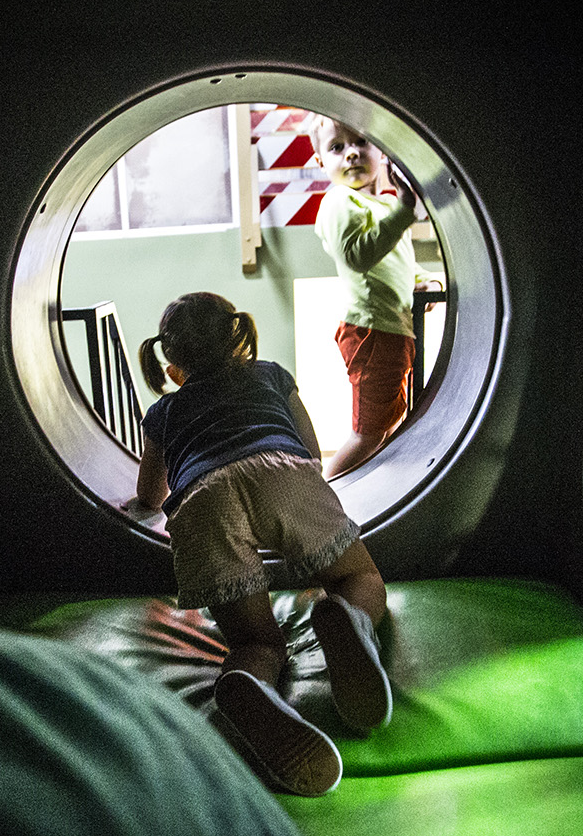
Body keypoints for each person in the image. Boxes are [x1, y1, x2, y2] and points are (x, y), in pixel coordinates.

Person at [129, 290, 393, 798]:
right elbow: (311, 448)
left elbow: (149, 492)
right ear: (237, 335)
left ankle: (250, 685)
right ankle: (349, 620)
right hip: (281, 473)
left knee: (254, 642)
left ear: (170, 360)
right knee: (357, 577)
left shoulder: (164, 411)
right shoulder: (269, 373)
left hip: (202, 503)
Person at [310, 117, 445, 478]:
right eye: (337, 147)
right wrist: (405, 210)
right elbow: (358, 255)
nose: (351, 152)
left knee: (384, 427)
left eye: (360, 143)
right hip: (371, 330)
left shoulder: (382, 208)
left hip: (389, 328)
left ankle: (362, 490)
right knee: (368, 434)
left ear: (380, 153)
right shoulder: (339, 202)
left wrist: (425, 280)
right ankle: (327, 491)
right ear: (320, 161)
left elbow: (396, 264)